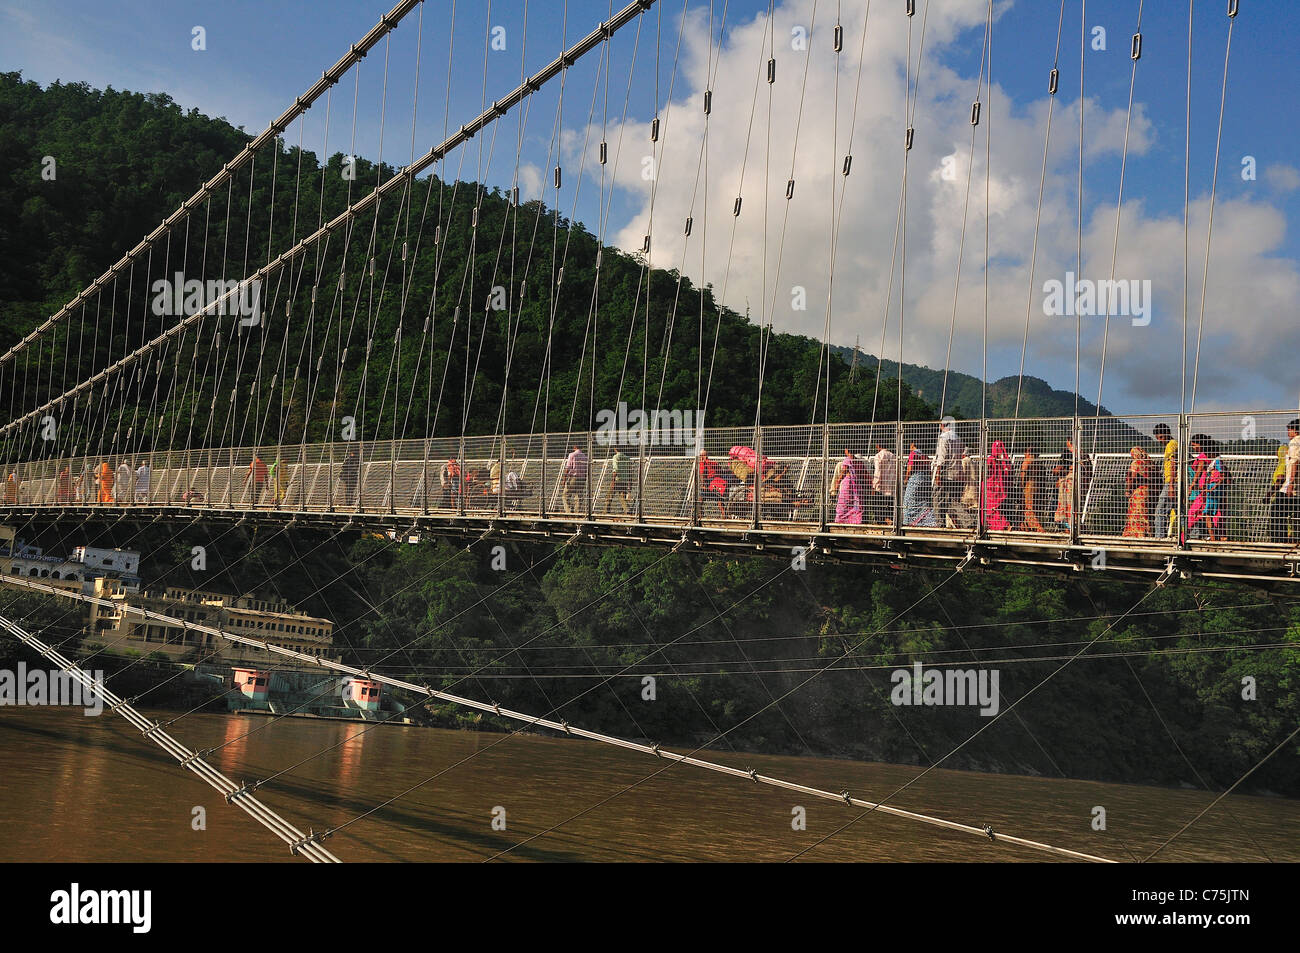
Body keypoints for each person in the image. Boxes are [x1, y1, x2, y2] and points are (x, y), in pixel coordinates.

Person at [932, 419, 966, 528]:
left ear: (943, 425)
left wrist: (938, 474)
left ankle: (940, 524)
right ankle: (966, 522)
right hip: (957, 474)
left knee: (938, 499)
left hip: (945, 473)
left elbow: (942, 458)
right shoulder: (958, 438)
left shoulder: (943, 437)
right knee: (953, 501)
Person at [1153, 423, 1178, 538]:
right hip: (1176, 481)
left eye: (1161, 437)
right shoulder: (1175, 444)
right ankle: (1193, 535)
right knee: (1180, 510)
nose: (1159, 440)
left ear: (1167, 434)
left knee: (1160, 511)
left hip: (1171, 482)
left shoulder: (1171, 445)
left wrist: (1171, 484)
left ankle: (1159, 537)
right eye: (1158, 438)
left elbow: (1173, 464)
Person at [1122, 447, 1153, 538]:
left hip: (1138, 491)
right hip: (1147, 490)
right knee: (1144, 513)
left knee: (1136, 513)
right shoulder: (1149, 462)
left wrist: (1128, 490)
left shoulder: (1136, 463)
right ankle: (1146, 533)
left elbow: (1133, 478)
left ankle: (1136, 534)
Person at [982, 440, 1012, 531]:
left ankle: (997, 526)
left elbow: (986, 473)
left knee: (990, 509)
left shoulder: (991, 459)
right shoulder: (1004, 460)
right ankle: (1003, 525)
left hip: (990, 489)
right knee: (996, 509)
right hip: (999, 489)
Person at [830, 449, 866, 525]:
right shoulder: (858, 461)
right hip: (857, 485)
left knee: (843, 504)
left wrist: (837, 482)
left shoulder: (847, 460)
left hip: (847, 484)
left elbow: (844, 472)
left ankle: (841, 520)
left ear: (847, 450)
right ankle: (855, 521)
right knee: (856, 504)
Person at [902, 447, 936, 527]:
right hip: (925, 481)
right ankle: (926, 522)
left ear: (913, 444)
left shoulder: (913, 454)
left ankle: (910, 522)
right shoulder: (925, 456)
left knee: (909, 502)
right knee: (924, 503)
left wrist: (906, 479)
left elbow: (910, 469)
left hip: (915, 480)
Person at [1018, 444, 1044, 532]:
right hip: (1039, 488)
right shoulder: (1039, 463)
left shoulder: (1027, 462)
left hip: (1029, 488)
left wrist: (1021, 487)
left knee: (1028, 508)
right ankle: (1031, 527)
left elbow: (1023, 477)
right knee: (1037, 508)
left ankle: (1037, 528)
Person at [871, 440, 897, 525]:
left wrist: (875, 485)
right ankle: (890, 521)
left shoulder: (878, 456)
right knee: (890, 506)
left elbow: (877, 472)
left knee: (879, 505)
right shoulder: (893, 456)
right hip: (891, 485)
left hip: (881, 486)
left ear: (878, 445)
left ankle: (881, 522)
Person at [697, 452, 728, 518]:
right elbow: (720, 471)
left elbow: (702, 474)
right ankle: (724, 516)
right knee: (719, 499)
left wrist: (703, 484)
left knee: (701, 498)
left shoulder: (703, 463)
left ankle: (700, 515)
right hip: (716, 483)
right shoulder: (714, 462)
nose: (701, 457)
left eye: (702, 455)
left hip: (709, 482)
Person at [560, 445, 589, 514]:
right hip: (582, 478)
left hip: (573, 478)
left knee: (565, 495)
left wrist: (564, 479)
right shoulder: (585, 456)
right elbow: (586, 469)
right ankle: (577, 512)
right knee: (578, 496)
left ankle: (569, 512)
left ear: (574, 447)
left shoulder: (572, 455)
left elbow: (568, 467)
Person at [603, 449, 632, 515]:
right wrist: (630, 482)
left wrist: (613, 481)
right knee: (622, 497)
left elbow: (615, 469)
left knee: (609, 495)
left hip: (617, 479)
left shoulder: (616, 457)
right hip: (624, 480)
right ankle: (627, 510)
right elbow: (629, 470)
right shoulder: (627, 458)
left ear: (615, 448)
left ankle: (606, 512)